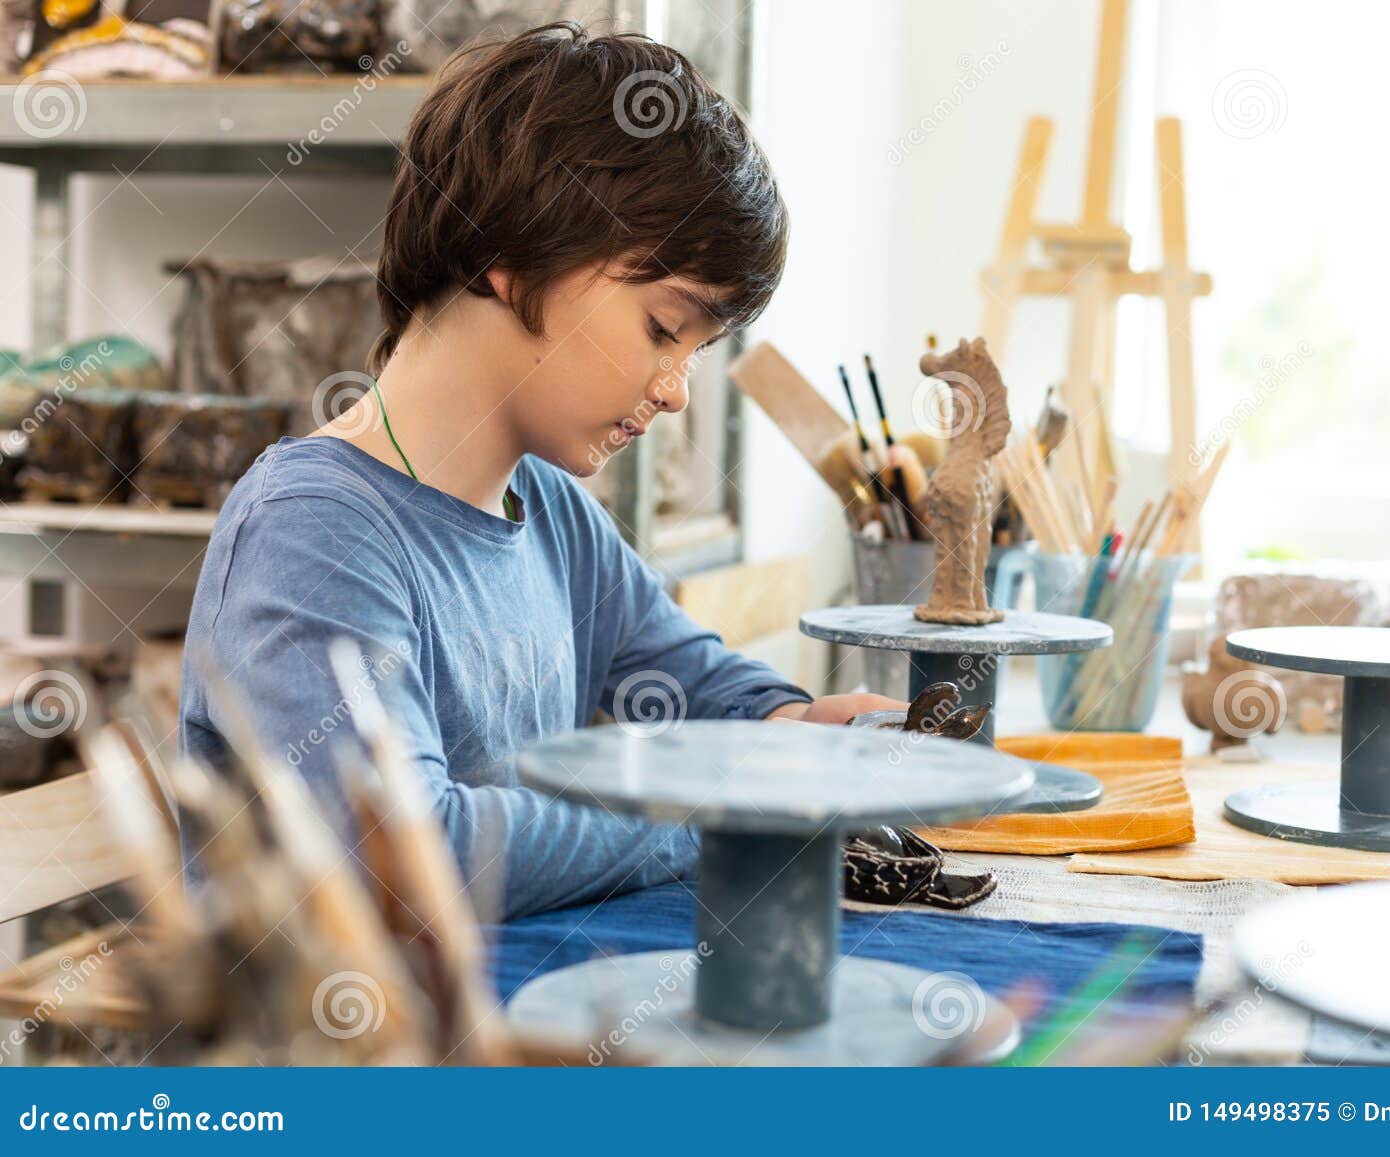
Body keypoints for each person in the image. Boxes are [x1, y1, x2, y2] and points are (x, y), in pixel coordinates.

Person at [179, 24, 901, 920]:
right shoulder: (312, 530)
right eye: (665, 329)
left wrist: (799, 731)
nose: (677, 392)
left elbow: (693, 685)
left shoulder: (552, 511)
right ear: (512, 260)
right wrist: (730, 806)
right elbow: (405, 852)